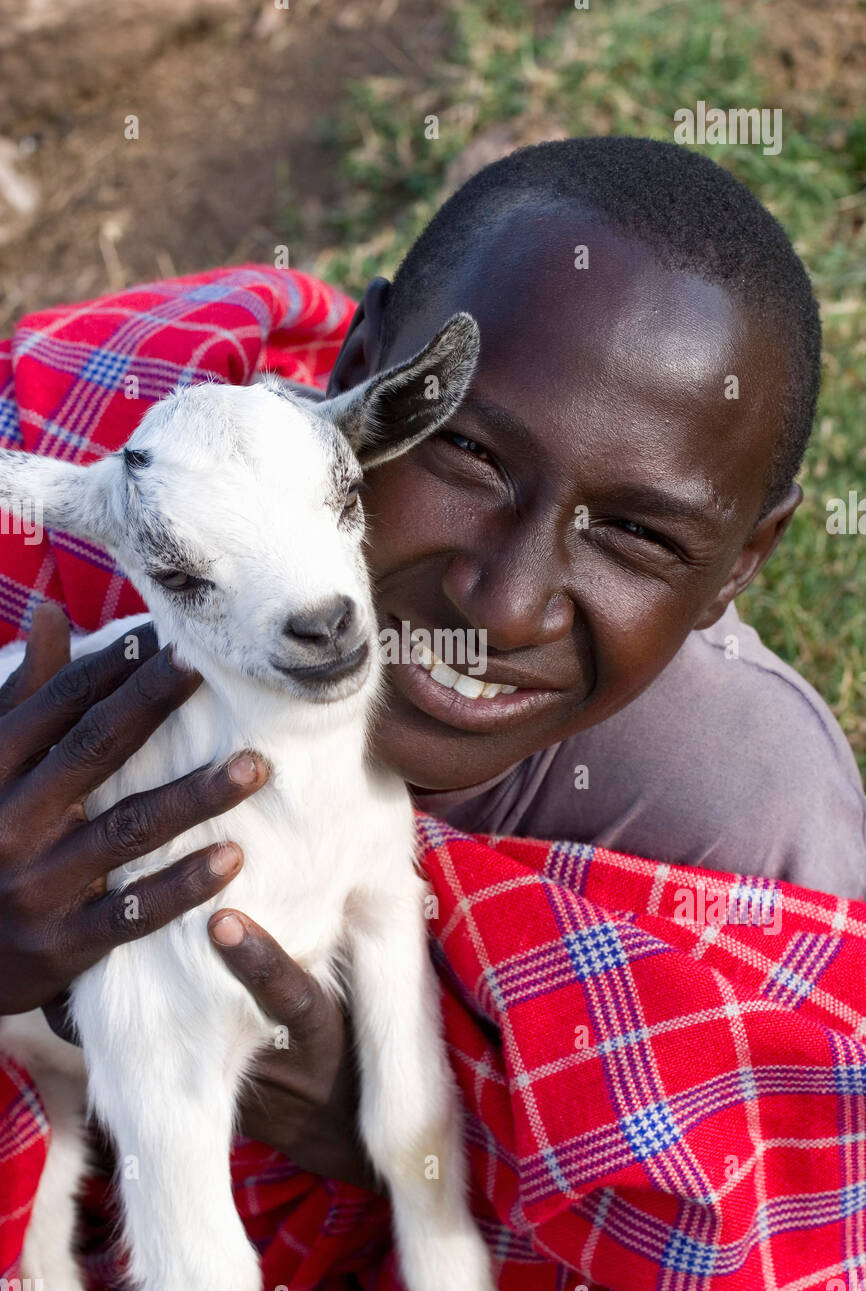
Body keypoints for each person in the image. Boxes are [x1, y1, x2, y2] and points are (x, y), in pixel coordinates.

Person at [1, 136, 864, 1192]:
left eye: (635, 534)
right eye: (467, 453)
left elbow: (758, 1224)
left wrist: (359, 1139)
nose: (499, 601)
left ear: (738, 568)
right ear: (360, 380)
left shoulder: (732, 833)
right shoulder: (129, 508)